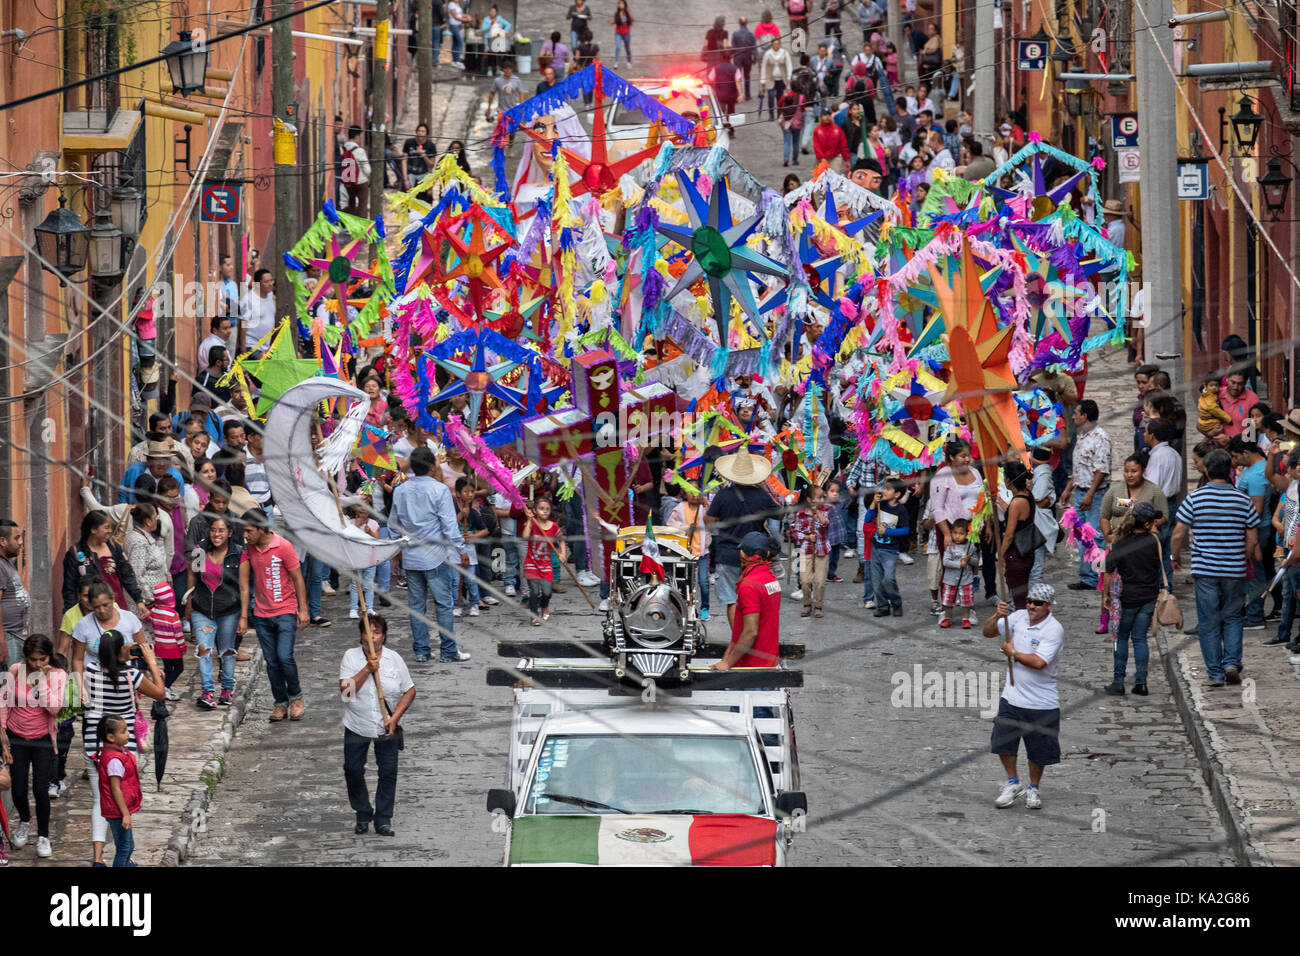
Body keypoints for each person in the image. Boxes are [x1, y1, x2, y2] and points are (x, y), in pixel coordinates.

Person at [1171, 449, 1261, 688]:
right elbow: (1252, 538)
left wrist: (1175, 556)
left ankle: (1215, 673)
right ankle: (1231, 662)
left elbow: (1179, 532)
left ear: (1208, 471)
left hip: (1206, 569)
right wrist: (1244, 558)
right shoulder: (1242, 499)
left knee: (1209, 620)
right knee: (1232, 617)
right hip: (1234, 569)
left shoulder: (1195, 498)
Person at [83, 629, 165, 866]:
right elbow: (160, 693)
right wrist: (149, 661)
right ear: (121, 650)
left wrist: (120, 656)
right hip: (121, 746)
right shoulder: (131, 675)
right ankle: (123, 854)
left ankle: (98, 858)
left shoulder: (89, 671)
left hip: (93, 745)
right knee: (121, 798)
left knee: (101, 801)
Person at [986, 584, 1065, 810]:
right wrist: (997, 615)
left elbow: (1039, 663)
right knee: (1003, 743)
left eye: (1037, 603)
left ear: (1048, 606)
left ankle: (1034, 788)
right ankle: (1013, 782)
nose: (1031, 606)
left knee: (1038, 752)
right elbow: (988, 631)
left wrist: (1014, 654)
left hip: (1041, 702)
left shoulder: (1054, 629)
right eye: (1029, 601)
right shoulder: (1018, 617)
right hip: (1011, 697)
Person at [389, 447, 471, 664]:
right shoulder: (440, 490)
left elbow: (393, 525)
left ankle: (422, 651)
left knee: (417, 607)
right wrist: (461, 550)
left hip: (412, 558)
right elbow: (449, 525)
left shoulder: (400, 490)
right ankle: (448, 650)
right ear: (432, 466)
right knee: (444, 604)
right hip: (435, 556)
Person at [340, 613, 416, 837]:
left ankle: (383, 819)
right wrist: (366, 670)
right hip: (356, 724)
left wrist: (396, 718)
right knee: (353, 770)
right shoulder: (350, 657)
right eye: (367, 632)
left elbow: (409, 691)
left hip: (386, 724)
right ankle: (362, 812)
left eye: (377, 632)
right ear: (361, 635)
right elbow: (346, 693)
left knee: (388, 771)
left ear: (383, 636)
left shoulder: (394, 659)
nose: (372, 637)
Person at [238, 508, 310, 722]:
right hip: (261, 613)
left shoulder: (284, 547)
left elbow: (298, 578)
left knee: (284, 656)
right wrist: (244, 615)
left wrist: (303, 609)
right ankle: (280, 703)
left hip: (286, 610)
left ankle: (296, 697)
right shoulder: (248, 550)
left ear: (261, 529)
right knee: (272, 661)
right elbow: (244, 582)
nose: (246, 535)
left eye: (249, 530)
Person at [0, 634, 66, 858]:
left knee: (40, 789)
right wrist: (3, 739)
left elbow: (54, 709)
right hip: (16, 736)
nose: (38, 664)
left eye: (43, 659)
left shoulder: (58, 675)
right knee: (17, 788)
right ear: (26, 658)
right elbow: (4, 703)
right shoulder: (15, 671)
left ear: (49, 656)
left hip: (42, 739)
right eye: (34, 660)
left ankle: (43, 836)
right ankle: (25, 821)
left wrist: (42, 682)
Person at [706, 449, 779, 626]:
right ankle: (753, 636)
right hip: (755, 555)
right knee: (754, 598)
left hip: (728, 553)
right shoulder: (762, 496)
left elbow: (709, 521)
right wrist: (764, 489)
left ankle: (737, 639)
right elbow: (779, 515)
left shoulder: (723, 495)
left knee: (732, 600)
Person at [1102, 502, 1162, 696]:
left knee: (1121, 638)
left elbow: (1108, 573)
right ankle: (1141, 683)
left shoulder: (1119, 545)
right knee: (1140, 639)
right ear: (1146, 524)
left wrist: (1106, 596)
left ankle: (1118, 682)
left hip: (1127, 599)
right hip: (1148, 597)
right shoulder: (1154, 542)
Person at [188, 515, 242, 710]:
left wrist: (244, 616)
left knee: (227, 651)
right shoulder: (199, 551)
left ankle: (227, 690)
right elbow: (192, 576)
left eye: (221, 530)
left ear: (229, 533)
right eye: (213, 530)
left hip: (229, 609)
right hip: (202, 609)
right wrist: (189, 602)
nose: (216, 534)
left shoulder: (238, 553)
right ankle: (207, 692)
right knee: (204, 650)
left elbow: (244, 587)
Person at [710, 532, 781, 671]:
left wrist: (727, 663)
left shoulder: (749, 585)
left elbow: (750, 632)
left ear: (743, 554)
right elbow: (740, 629)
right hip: (769, 663)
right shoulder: (770, 578)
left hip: (750, 668)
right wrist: (726, 658)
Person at [1064, 399, 1112, 591]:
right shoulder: (1082, 436)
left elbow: (1101, 470)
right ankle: (1087, 577)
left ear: (1085, 416)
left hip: (1095, 495)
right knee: (1082, 535)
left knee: (1095, 537)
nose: (1074, 416)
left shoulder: (1101, 439)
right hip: (1080, 492)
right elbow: (1080, 468)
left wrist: (1090, 495)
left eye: (1076, 413)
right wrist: (1069, 489)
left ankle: (1097, 578)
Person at [62, 512, 147, 620]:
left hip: (117, 605)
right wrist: (71, 614)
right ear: (93, 530)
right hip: (92, 610)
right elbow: (69, 587)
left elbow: (127, 576)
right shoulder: (76, 553)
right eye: (106, 527)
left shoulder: (114, 547)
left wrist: (139, 600)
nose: (110, 531)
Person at [1229, 436, 1271, 630]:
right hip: (1250, 528)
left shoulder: (1256, 475)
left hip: (1256, 529)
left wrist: (1248, 535)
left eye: (1236, 456)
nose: (1234, 461)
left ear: (1246, 453)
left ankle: (1255, 616)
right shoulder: (1251, 469)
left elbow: (1257, 509)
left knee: (1255, 574)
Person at [94, 714, 143, 867]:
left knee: (126, 845)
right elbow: (115, 788)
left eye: (127, 730)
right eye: (123, 731)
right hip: (117, 811)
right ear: (111, 737)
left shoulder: (118, 754)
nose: (128, 734)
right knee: (124, 847)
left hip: (117, 810)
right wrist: (125, 814)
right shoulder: (114, 759)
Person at [863, 477, 910, 617]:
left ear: (897, 494)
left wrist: (887, 531)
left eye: (888, 489)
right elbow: (867, 519)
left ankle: (896, 602)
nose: (884, 491)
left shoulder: (901, 510)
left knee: (888, 579)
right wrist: (873, 503)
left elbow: (906, 530)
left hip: (890, 550)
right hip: (876, 548)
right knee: (876, 581)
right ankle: (882, 605)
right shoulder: (880, 505)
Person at [998, 461, 1039, 610]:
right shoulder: (1027, 495)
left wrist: (1001, 556)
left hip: (1015, 554)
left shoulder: (1017, 502)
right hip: (1026, 553)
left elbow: (1009, 535)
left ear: (1009, 480)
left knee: (1018, 600)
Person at [668, 490, 712, 621]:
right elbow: (670, 525)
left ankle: (705, 608)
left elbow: (714, 520)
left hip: (702, 551)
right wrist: (686, 527)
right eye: (690, 492)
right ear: (684, 494)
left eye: (696, 492)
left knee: (703, 582)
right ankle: (684, 607)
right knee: (684, 581)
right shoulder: (679, 508)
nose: (693, 495)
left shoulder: (703, 508)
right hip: (685, 552)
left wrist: (707, 505)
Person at [791, 484, 831, 618]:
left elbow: (825, 524)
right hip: (805, 550)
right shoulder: (801, 514)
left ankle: (818, 605)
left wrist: (817, 511)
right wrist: (807, 536)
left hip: (822, 550)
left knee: (820, 581)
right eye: (818, 497)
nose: (821, 500)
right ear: (809, 500)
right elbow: (796, 532)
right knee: (805, 580)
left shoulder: (825, 510)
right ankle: (807, 604)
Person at [939, 518, 979, 628]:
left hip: (965, 579)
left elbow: (976, 562)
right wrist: (959, 564)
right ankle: (947, 617)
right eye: (955, 533)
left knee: (966, 601)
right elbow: (945, 561)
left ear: (967, 534)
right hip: (950, 579)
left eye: (961, 533)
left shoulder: (970, 547)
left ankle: (966, 618)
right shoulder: (950, 546)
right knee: (948, 600)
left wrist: (969, 559)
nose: (957, 536)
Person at [0, 519, 29, 667]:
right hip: (8, 637)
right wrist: (2, 641)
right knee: (7, 687)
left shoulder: (7, 564)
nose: (21, 542)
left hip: (16, 638)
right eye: (17, 538)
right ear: (3, 541)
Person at [760, 35, 793, 121]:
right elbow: (763, 66)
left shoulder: (784, 53)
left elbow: (789, 65)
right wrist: (762, 79)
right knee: (770, 97)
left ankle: (779, 114)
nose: (776, 46)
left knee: (780, 98)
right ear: (772, 45)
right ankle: (771, 114)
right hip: (771, 79)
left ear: (780, 44)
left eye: (778, 44)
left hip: (781, 80)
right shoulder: (768, 54)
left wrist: (789, 76)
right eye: (774, 44)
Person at [1219, 371, 1259, 439]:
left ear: (1245, 383)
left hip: (1241, 445)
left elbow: (1255, 428)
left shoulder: (1252, 399)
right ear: (1227, 379)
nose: (1235, 387)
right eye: (1233, 382)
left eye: (1240, 384)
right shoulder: (1217, 394)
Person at [402, 123, 435, 199]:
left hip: (423, 178)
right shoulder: (409, 143)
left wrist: (423, 155)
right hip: (410, 176)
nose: (420, 133)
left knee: (423, 203)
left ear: (426, 134)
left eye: (423, 131)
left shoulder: (431, 146)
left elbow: (431, 165)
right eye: (419, 131)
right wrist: (405, 179)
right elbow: (404, 160)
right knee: (406, 202)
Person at [777, 85, 805, 167]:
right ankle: (795, 160)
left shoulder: (785, 95)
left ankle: (786, 159)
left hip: (785, 123)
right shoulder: (802, 98)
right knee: (796, 142)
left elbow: (779, 105)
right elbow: (803, 109)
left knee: (786, 141)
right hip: (797, 123)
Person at [731, 16, 757, 99]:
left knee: (737, 76)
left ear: (739, 23)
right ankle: (748, 95)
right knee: (747, 76)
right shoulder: (751, 34)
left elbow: (733, 47)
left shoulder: (735, 34)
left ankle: (738, 94)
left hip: (738, 57)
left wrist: (732, 57)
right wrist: (755, 58)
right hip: (747, 57)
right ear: (747, 23)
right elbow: (754, 47)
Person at [712, 52, 740, 125]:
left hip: (720, 95)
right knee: (731, 113)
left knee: (721, 113)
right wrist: (741, 94)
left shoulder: (716, 67)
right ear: (731, 58)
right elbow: (737, 81)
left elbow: (711, 79)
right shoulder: (735, 68)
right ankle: (731, 130)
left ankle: (722, 127)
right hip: (732, 95)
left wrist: (714, 89)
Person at [609, 0, 633, 68]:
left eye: (622, 3)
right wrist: (612, 22)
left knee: (627, 48)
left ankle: (629, 61)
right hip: (618, 33)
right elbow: (616, 22)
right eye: (619, 4)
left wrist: (628, 13)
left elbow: (632, 20)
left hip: (626, 33)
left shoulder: (628, 12)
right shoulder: (616, 13)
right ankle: (616, 62)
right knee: (618, 47)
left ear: (625, 5)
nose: (620, 5)